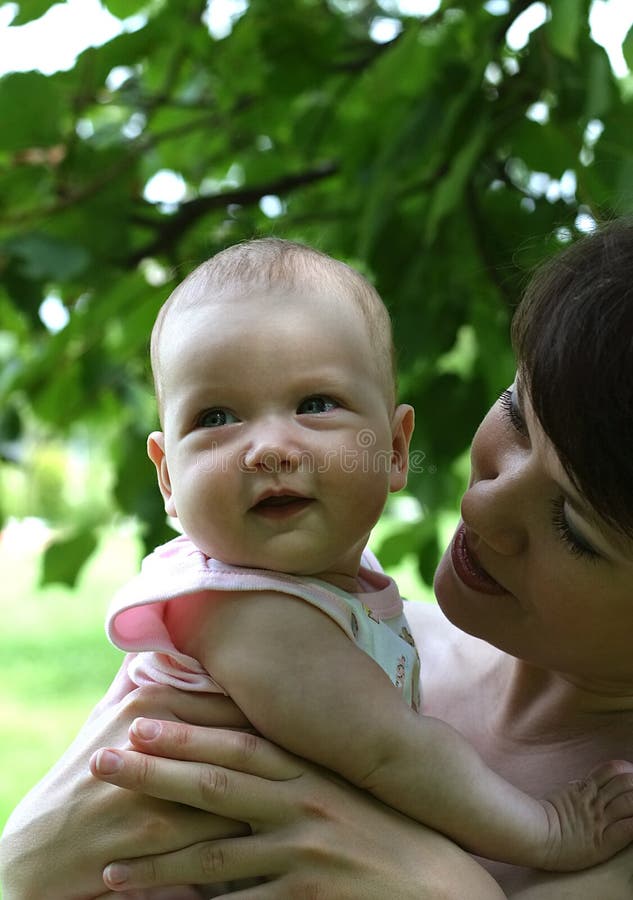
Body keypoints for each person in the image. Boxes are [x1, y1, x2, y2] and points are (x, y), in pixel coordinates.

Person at [2, 221, 633, 899]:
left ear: (395, 446)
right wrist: (23, 865)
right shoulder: (269, 615)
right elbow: (388, 749)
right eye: (514, 415)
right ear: (166, 477)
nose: (478, 508)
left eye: (571, 526)